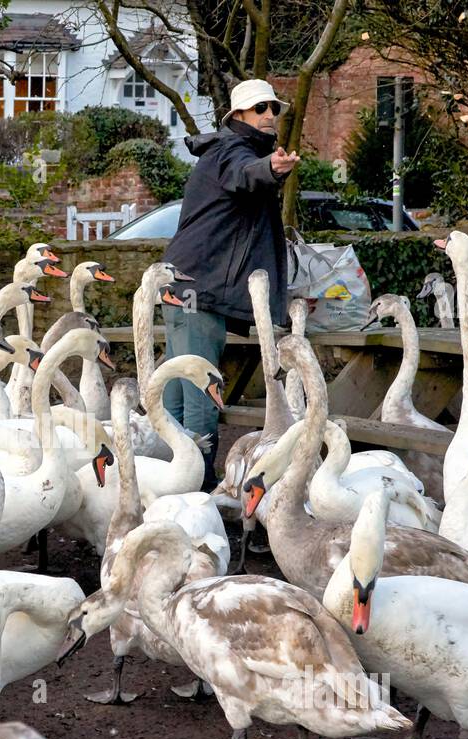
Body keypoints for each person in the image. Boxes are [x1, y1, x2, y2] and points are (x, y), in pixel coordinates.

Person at [163, 79, 300, 491]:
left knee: (176, 389)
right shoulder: (229, 150)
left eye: (274, 108)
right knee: (202, 389)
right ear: (237, 116)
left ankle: (170, 481)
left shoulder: (230, 150)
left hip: (185, 285)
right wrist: (271, 170)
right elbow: (245, 174)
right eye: (260, 108)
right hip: (197, 290)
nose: (270, 115)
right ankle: (200, 488)